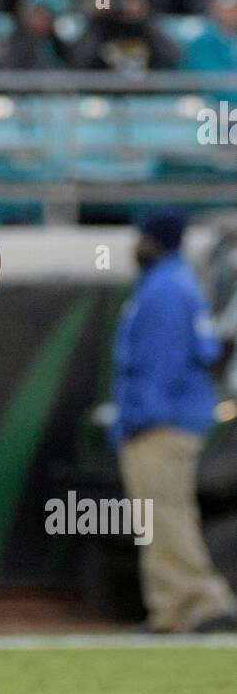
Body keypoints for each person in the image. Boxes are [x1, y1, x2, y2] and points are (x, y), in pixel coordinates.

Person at [110, 210, 237, 634]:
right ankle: (171, 611)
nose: (138, 246)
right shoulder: (175, 282)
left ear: (155, 240)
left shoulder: (164, 288)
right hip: (174, 419)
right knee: (161, 516)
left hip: (161, 424)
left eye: (144, 239)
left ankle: (204, 603)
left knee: (165, 515)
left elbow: (159, 365)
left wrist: (139, 420)